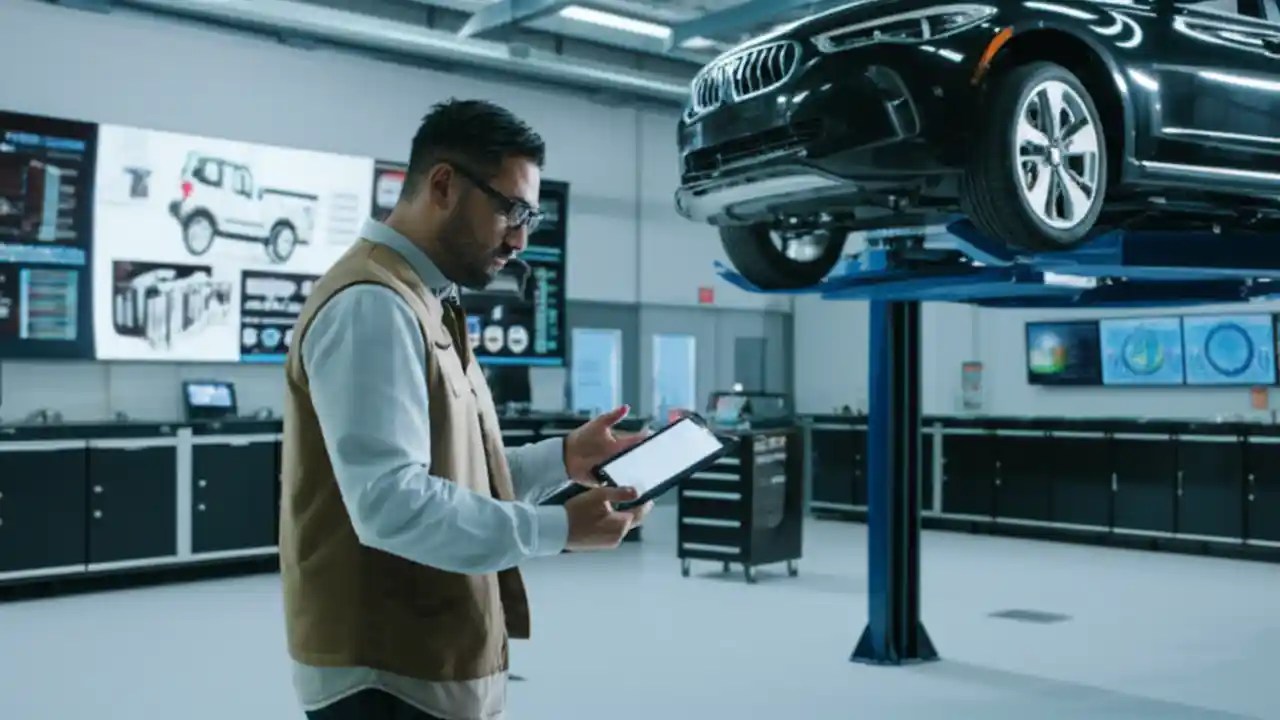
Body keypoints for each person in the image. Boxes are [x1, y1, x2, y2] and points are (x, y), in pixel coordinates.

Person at [278, 98, 653, 720]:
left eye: (530, 216)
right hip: (385, 677)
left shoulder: (426, 299)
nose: (521, 238)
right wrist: (558, 529)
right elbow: (392, 505)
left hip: (427, 657)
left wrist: (563, 459)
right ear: (444, 186)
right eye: (511, 209)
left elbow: (455, 474)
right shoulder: (373, 304)